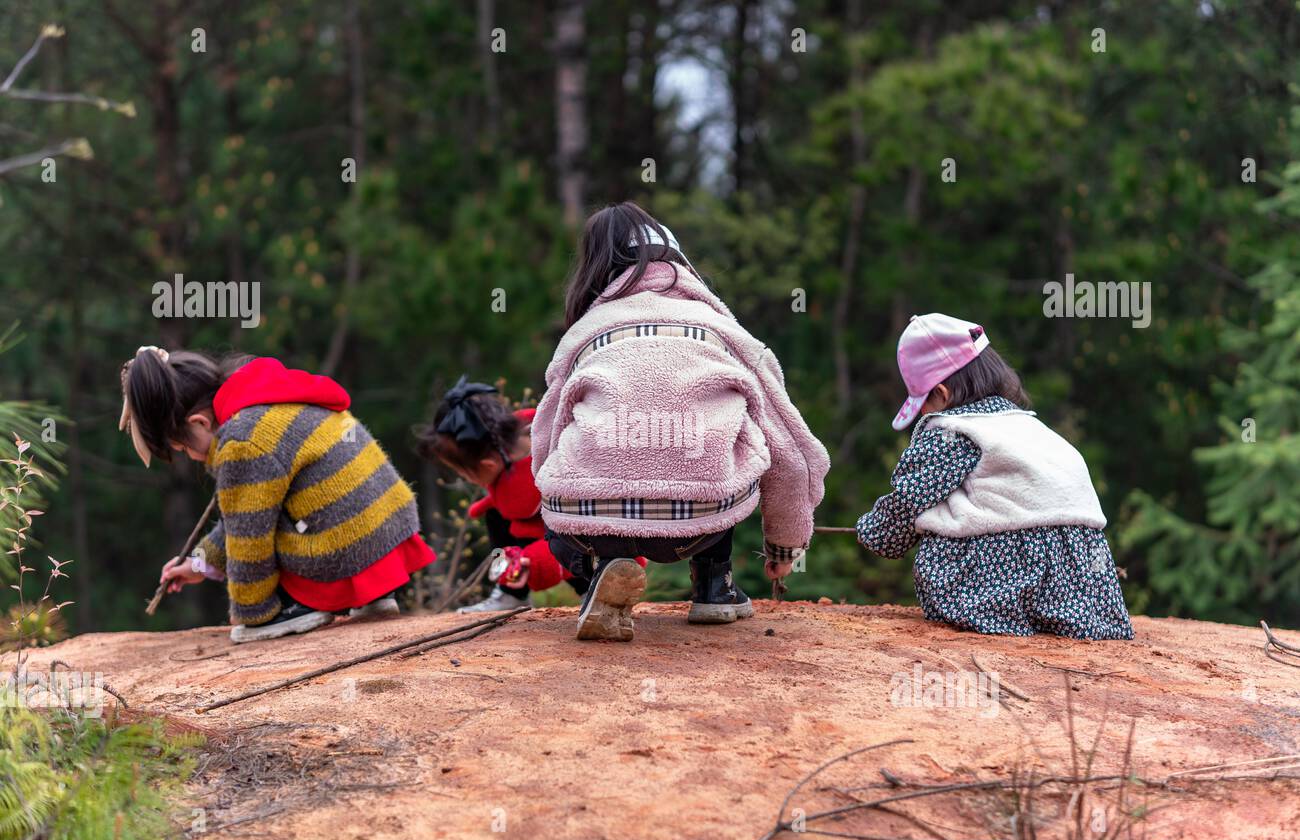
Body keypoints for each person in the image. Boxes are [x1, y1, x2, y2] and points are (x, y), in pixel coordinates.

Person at [532, 201, 830, 640]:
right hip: (700, 521)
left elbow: (544, 439)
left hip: (588, 520)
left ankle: (600, 572)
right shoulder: (722, 331)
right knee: (723, 439)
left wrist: (555, 509)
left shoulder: (582, 336)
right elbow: (790, 446)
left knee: (573, 460)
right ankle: (715, 587)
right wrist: (785, 545)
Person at [120, 347, 435, 642]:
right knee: (268, 508)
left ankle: (289, 612)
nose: (192, 456)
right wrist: (200, 563)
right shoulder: (265, 399)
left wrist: (252, 613)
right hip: (385, 533)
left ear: (200, 422)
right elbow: (240, 515)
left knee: (258, 523)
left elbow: (247, 534)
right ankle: (376, 597)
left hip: (342, 548)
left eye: (184, 447)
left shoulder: (242, 441)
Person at [856, 314, 1133, 639]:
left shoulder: (951, 430)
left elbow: (911, 499)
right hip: (1084, 578)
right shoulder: (1031, 428)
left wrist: (877, 533)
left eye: (922, 404)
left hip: (1001, 578)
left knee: (940, 527)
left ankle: (990, 612)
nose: (922, 414)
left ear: (942, 394)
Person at [415, 377, 570, 613]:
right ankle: (509, 591)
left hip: (579, 532)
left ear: (487, 465)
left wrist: (535, 559)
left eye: (462, 472)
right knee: (496, 518)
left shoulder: (530, 482)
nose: (463, 478)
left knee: (555, 541)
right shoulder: (529, 431)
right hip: (559, 527)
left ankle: (594, 588)